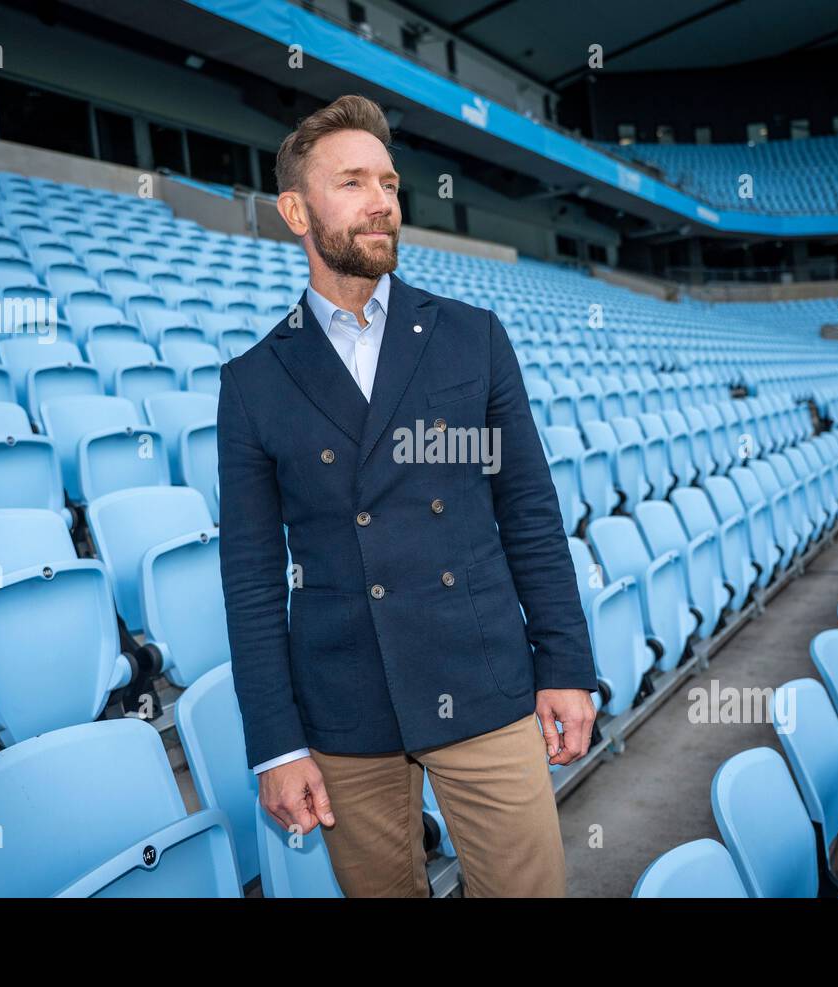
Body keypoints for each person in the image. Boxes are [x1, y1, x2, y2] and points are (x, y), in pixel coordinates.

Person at [217, 94, 597, 897]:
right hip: (347, 706)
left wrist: (564, 661)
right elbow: (251, 578)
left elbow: (529, 511)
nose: (382, 201)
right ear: (295, 210)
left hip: (484, 676)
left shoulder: (472, 334)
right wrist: (276, 745)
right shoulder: (251, 382)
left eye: (389, 182)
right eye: (352, 182)